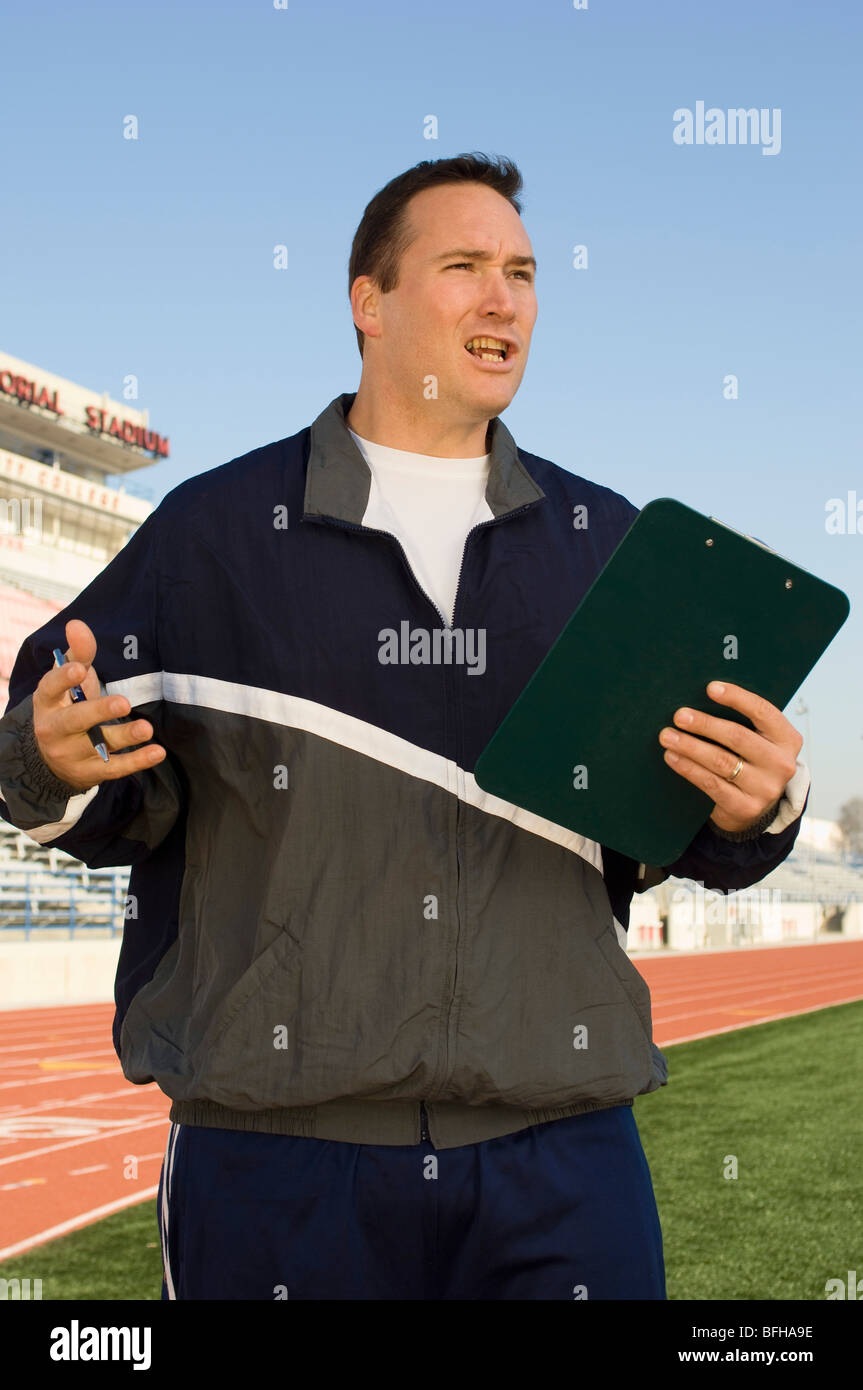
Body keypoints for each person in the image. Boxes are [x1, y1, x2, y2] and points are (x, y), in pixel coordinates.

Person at [0, 153, 809, 1301]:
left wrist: (760, 803)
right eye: (465, 266)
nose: (504, 298)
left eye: (522, 272)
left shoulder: (611, 547)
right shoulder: (213, 534)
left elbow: (679, 836)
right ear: (366, 302)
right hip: (276, 1158)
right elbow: (83, 776)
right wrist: (48, 761)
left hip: (563, 1153)